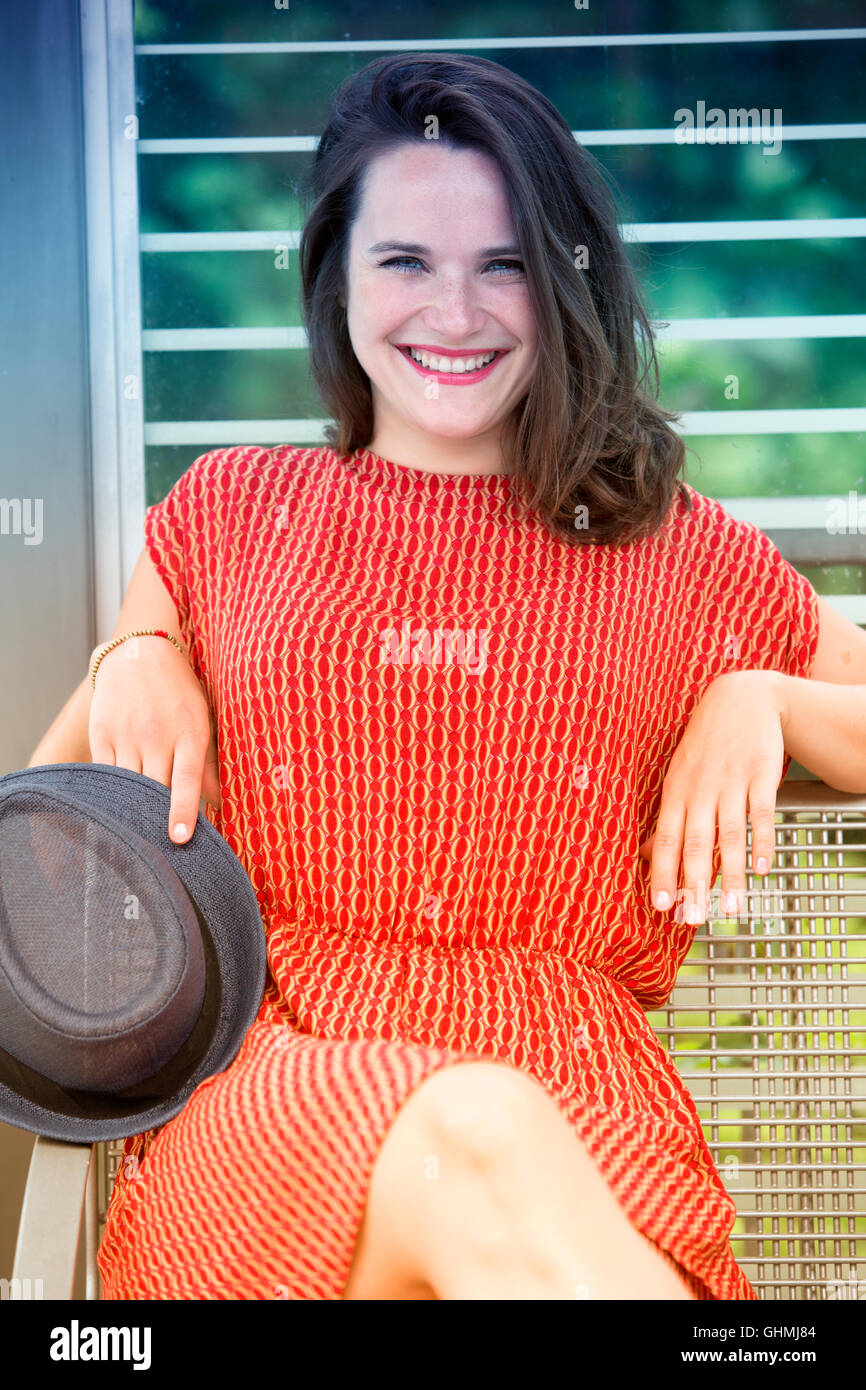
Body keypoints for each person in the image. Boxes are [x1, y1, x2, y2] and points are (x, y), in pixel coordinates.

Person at [30, 52, 848, 1300]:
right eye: (404, 262)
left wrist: (767, 698)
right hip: (271, 1111)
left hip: (587, 1124)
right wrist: (129, 655)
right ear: (336, 279)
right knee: (471, 1126)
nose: (453, 313)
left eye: (502, 265)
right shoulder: (228, 514)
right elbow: (39, 864)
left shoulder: (678, 555)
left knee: (495, 1139)